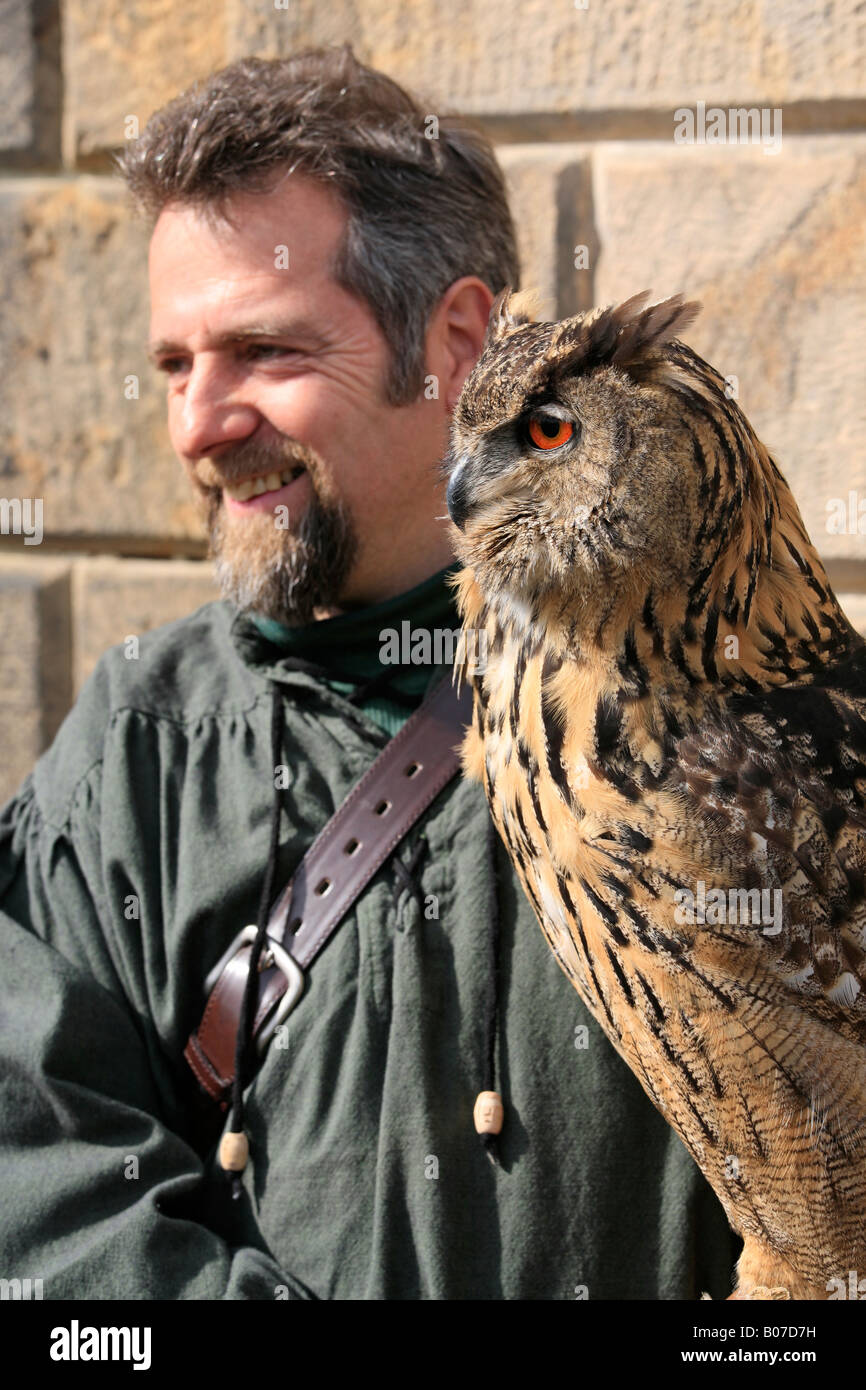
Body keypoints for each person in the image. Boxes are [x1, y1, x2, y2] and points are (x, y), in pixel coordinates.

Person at [0, 44, 739, 1300]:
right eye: (176, 364)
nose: (196, 422)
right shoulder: (138, 751)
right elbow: (42, 1206)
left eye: (264, 353)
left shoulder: (731, 724)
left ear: (454, 340)